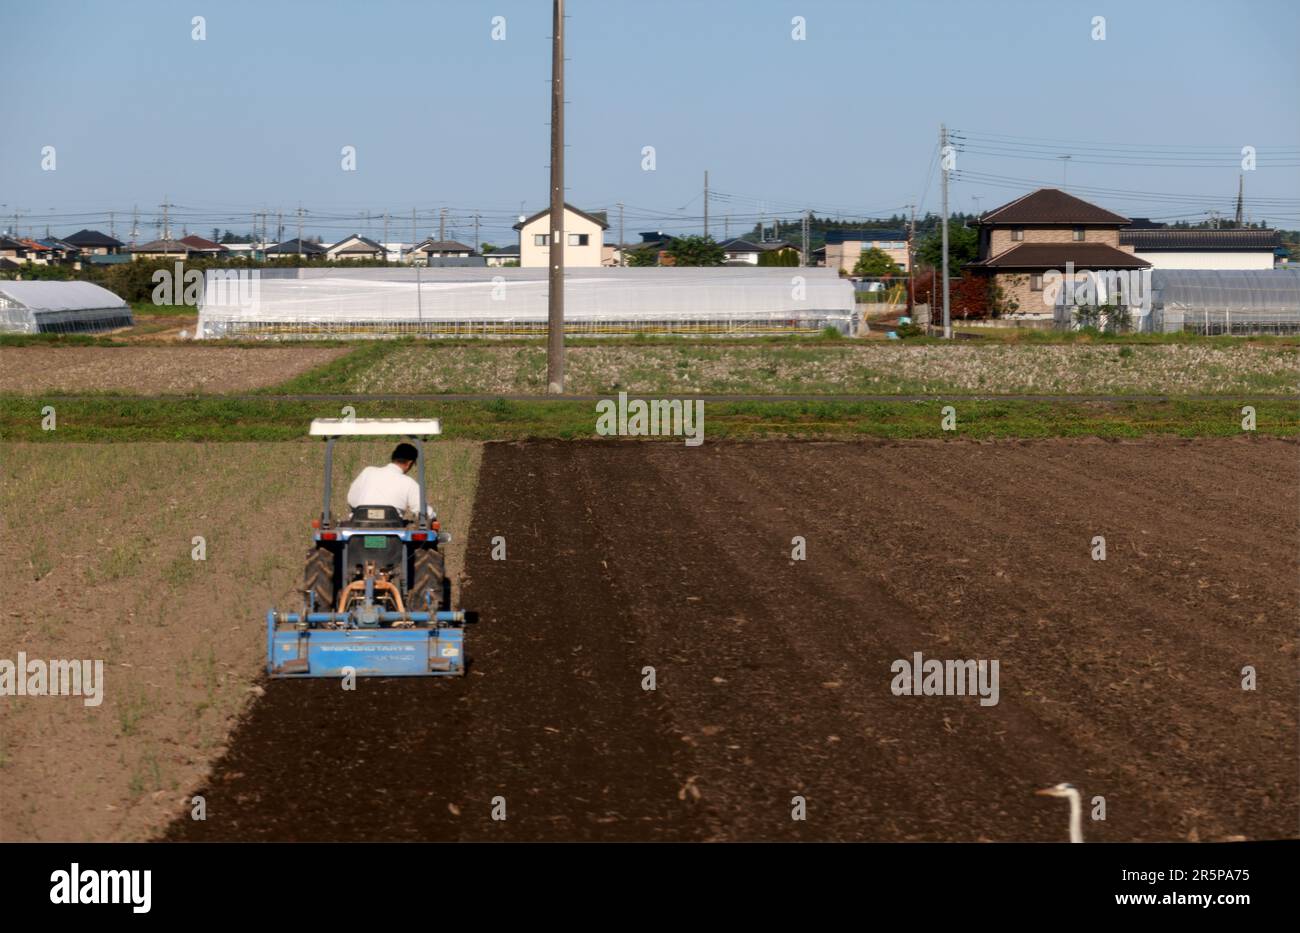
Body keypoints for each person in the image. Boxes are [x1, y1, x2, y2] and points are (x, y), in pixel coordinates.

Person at [346, 442, 433, 520]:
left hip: (361, 524)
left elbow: (351, 499)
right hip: (393, 528)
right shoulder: (409, 483)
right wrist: (433, 516)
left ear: (393, 458)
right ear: (409, 463)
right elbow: (423, 511)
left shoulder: (368, 471)